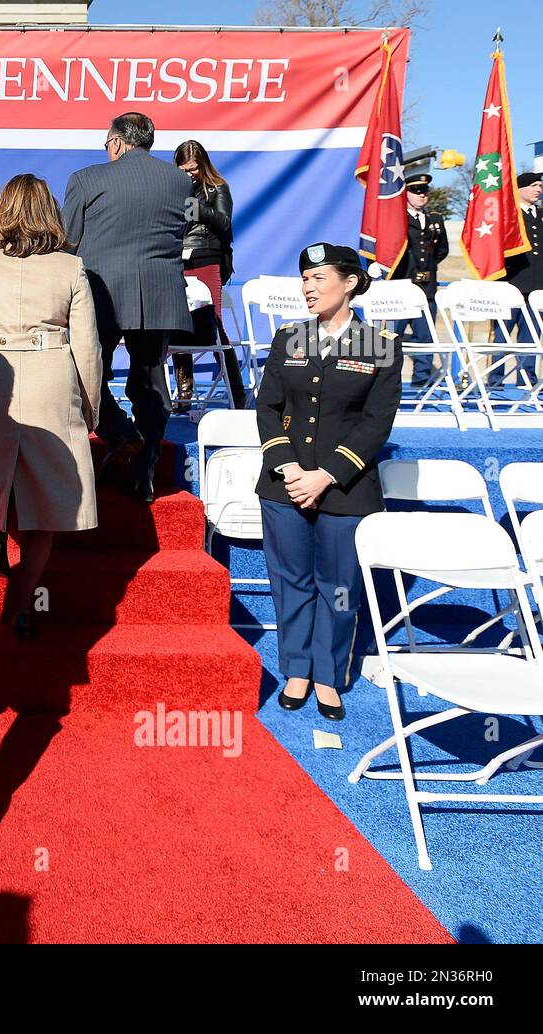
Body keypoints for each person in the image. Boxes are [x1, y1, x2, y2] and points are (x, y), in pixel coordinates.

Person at [0, 174, 101, 639]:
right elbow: (89, 346)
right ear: (48, 212)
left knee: (3, 468)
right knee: (49, 495)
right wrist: (91, 407)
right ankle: (25, 605)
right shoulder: (70, 267)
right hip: (50, 374)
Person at [256, 243, 401, 722]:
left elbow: (377, 423)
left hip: (346, 488)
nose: (308, 288)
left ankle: (328, 675)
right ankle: (296, 670)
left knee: (338, 586)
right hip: (285, 485)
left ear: (350, 282)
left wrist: (325, 475)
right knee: (290, 581)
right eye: (305, 279)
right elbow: (268, 408)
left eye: (319, 278)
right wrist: (290, 468)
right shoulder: (289, 338)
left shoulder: (380, 344)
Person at [62, 111, 193, 503]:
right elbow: (183, 231)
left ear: (117, 143)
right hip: (159, 291)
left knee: (86, 373)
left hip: (102, 291)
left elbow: (69, 239)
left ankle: (120, 432)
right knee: (151, 382)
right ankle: (146, 469)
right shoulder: (182, 180)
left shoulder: (87, 179)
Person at [172, 139, 245, 413]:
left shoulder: (217, 187)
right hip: (177, 260)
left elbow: (225, 222)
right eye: (184, 168)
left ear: (202, 165)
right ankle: (184, 393)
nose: (189, 174)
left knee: (214, 324)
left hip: (206, 258)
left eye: (194, 168)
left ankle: (236, 391)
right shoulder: (171, 189)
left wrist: (197, 205)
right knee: (177, 324)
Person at [390, 171, 447, 390]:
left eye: (424, 191)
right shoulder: (397, 219)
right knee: (392, 338)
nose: (421, 195)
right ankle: (387, 380)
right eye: (416, 191)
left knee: (425, 337)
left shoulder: (435, 219)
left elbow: (440, 250)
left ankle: (421, 380)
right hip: (401, 286)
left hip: (426, 288)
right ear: (406, 194)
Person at [495, 172, 543, 389]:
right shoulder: (508, 217)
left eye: (540, 186)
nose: (538, 189)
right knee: (501, 337)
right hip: (510, 286)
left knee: (531, 337)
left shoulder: (541, 215)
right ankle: (496, 380)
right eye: (533, 185)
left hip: (536, 290)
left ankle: (526, 380)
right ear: (520, 189)